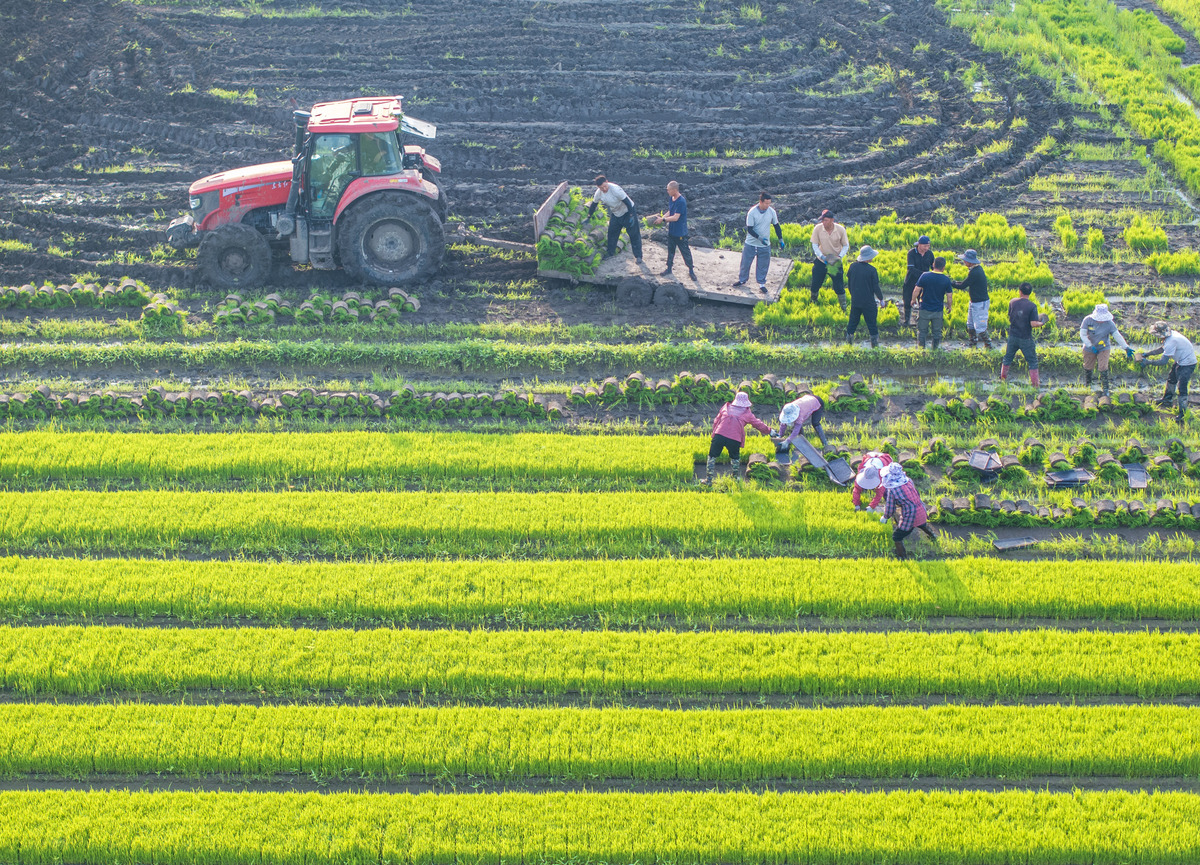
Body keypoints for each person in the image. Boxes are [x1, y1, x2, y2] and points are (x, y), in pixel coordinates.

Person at [703, 391, 773, 484]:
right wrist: (769, 431)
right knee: (735, 458)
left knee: (712, 456)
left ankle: (708, 480)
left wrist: (715, 433)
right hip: (734, 439)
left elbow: (716, 421)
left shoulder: (726, 407)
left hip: (719, 435)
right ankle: (735, 478)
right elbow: (757, 424)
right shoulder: (747, 413)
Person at [1139, 321, 1197, 425]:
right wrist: (1148, 354)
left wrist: (1148, 362)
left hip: (1188, 363)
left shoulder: (1172, 341)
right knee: (1171, 379)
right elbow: (1162, 349)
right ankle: (1167, 400)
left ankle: (1182, 413)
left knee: (1181, 387)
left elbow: (1163, 361)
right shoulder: (1169, 337)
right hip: (1180, 360)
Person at [879, 463, 936, 560]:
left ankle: (902, 557)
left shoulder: (892, 490)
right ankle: (933, 537)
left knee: (897, 537)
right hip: (921, 509)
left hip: (910, 516)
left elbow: (890, 508)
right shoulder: (908, 480)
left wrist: (885, 517)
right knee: (922, 524)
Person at [733, 192, 784, 294]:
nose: (767, 206)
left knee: (763, 264)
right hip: (751, 243)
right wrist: (759, 238)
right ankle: (742, 279)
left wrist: (780, 239)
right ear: (760, 202)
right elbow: (750, 229)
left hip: (764, 245)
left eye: (769, 203)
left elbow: (776, 226)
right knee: (745, 263)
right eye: (766, 203)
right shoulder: (752, 212)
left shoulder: (771, 212)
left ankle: (761, 284)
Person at [1079, 303, 1133, 397]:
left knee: (1103, 367)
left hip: (1104, 347)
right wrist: (1090, 345)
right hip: (1089, 346)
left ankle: (1106, 389)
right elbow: (1082, 334)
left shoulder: (1109, 324)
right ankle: (1088, 385)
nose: (1101, 321)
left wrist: (1126, 347)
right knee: (1088, 366)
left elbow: (1117, 336)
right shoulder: (1087, 320)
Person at [587, 175, 643, 263]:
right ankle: (610, 253)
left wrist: (632, 216)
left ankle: (638, 256)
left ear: (607, 182)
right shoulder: (599, 193)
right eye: (601, 188)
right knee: (612, 233)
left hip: (627, 212)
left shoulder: (616, 190)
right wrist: (589, 216)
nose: (604, 189)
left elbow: (628, 202)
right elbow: (594, 204)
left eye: (605, 186)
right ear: (598, 187)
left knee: (634, 234)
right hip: (616, 213)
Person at [648, 181, 696, 281]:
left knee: (685, 251)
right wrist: (662, 217)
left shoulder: (681, 201)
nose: (667, 191)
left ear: (674, 190)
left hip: (680, 232)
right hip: (672, 231)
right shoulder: (672, 198)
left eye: (668, 189)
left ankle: (691, 270)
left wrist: (663, 220)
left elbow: (675, 217)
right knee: (670, 251)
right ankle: (669, 268)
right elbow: (671, 211)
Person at [1000, 281, 1045, 387]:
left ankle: (1002, 379)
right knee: (1032, 361)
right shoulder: (1032, 306)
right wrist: (1041, 323)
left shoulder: (1012, 302)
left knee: (1008, 358)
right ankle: (1035, 384)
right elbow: (1033, 324)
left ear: (1019, 291)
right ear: (1030, 293)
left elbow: (1011, 315)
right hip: (1025, 338)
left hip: (1013, 336)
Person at [809, 209, 850, 309]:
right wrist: (821, 256)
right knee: (815, 283)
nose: (823, 222)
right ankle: (813, 301)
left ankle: (843, 306)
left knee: (839, 286)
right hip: (821, 260)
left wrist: (839, 256)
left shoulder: (840, 230)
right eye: (822, 220)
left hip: (834, 261)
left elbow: (845, 245)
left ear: (832, 220)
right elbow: (814, 244)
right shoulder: (818, 228)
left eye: (826, 220)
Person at [911, 257, 953, 350]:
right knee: (937, 332)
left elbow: (916, 289)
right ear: (943, 267)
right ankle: (935, 349)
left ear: (933, 264)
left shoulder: (925, 275)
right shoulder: (946, 279)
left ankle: (921, 349)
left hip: (924, 308)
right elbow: (949, 296)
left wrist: (913, 300)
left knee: (922, 331)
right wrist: (949, 306)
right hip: (938, 310)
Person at [845, 245, 884, 348]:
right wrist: (881, 299)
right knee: (872, 324)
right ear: (868, 258)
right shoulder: (872, 270)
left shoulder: (852, 266)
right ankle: (875, 346)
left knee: (852, 322)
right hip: (868, 302)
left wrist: (853, 294)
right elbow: (876, 287)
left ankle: (848, 344)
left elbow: (849, 284)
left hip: (856, 301)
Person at [954, 249, 991, 349]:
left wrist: (951, 283)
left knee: (980, 327)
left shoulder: (975, 272)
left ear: (970, 262)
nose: (964, 262)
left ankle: (988, 345)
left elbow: (963, 286)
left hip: (980, 303)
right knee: (970, 324)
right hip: (974, 301)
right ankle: (972, 344)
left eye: (965, 260)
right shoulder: (975, 269)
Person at [901, 235, 933, 327]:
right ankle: (906, 320)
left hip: (924, 283)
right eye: (924, 246)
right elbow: (911, 268)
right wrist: (925, 275)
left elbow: (933, 266)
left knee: (923, 301)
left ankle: (921, 320)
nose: (926, 248)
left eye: (928, 246)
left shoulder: (929, 254)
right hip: (911, 281)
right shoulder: (911, 253)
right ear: (919, 245)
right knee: (907, 300)